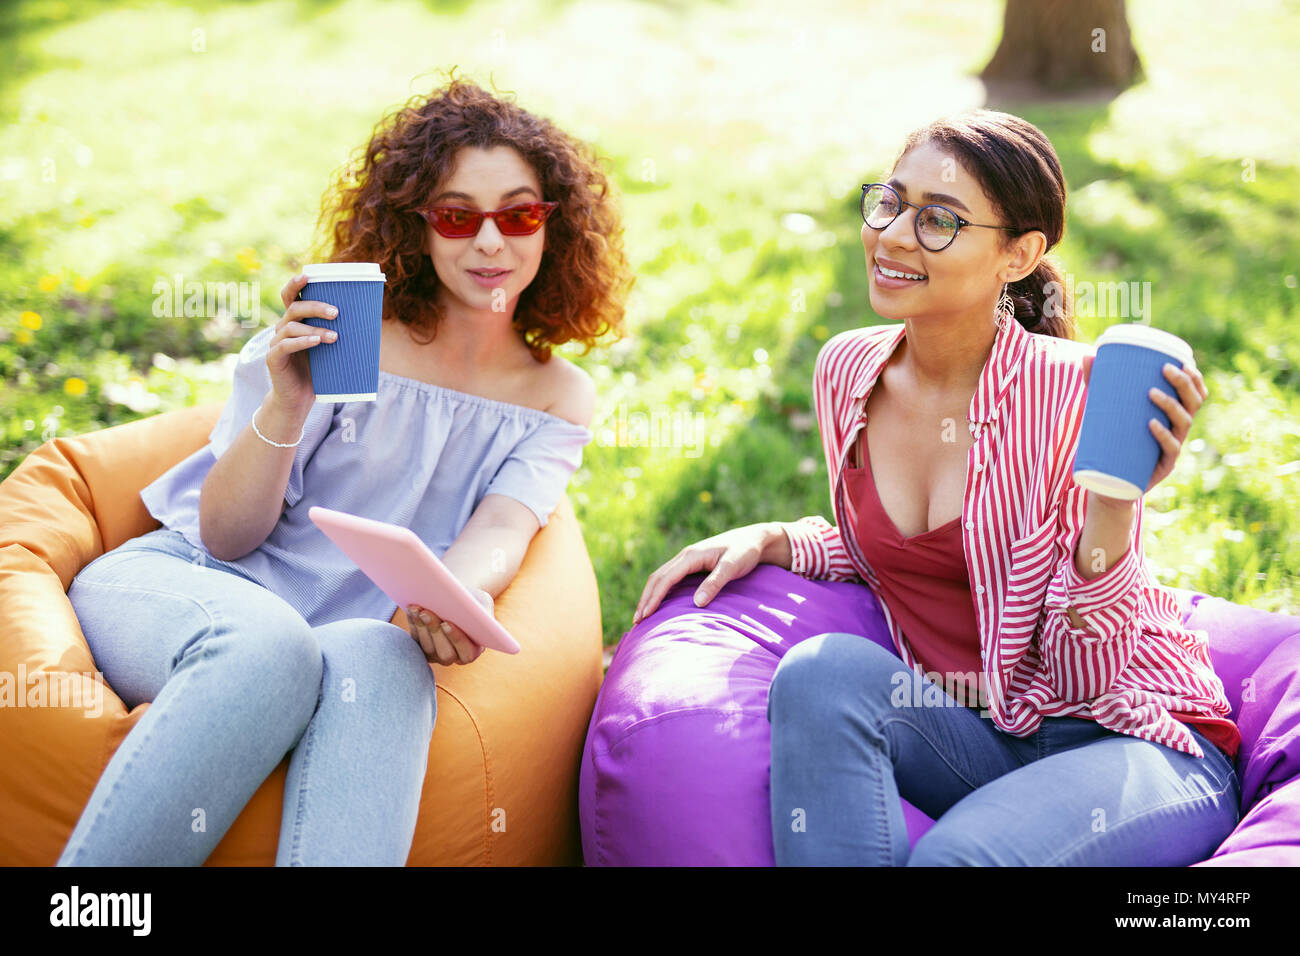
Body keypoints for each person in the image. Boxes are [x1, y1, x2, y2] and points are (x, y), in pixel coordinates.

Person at [632, 109, 1240, 866]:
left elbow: (1089, 673)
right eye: (890, 203)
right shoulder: (848, 371)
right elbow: (899, 550)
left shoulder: (1076, 394)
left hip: (1132, 737)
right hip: (979, 738)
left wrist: (1115, 507)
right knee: (821, 673)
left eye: (940, 221)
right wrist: (780, 539)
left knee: (953, 863)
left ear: (1018, 255)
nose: (891, 236)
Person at [59, 76, 632, 866]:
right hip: (183, 589)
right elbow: (224, 536)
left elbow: (505, 524)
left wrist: (459, 595)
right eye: (458, 216)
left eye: (521, 213)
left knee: (388, 660)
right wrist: (287, 404)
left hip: (337, 638)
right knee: (272, 648)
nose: (491, 243)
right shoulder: (349, 334)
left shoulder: (557, 397)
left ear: (552, 226)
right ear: (418, 225)